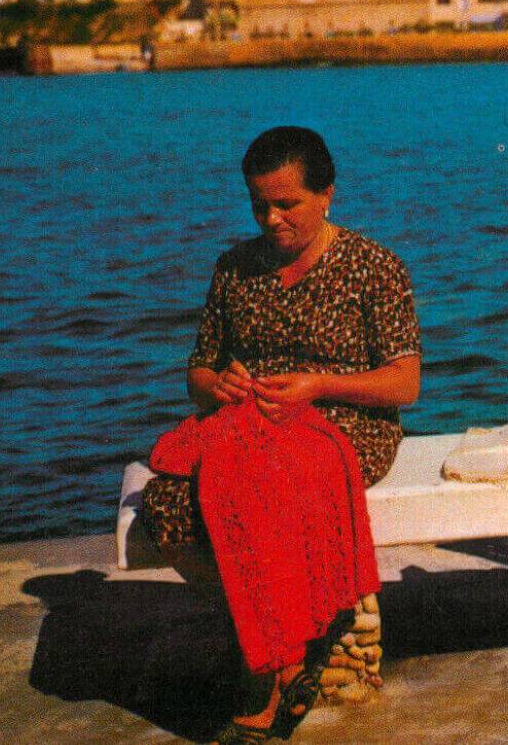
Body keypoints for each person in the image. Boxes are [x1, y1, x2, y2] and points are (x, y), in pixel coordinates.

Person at [140, 126, 421, 741]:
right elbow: (198, 373)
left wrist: (319, 385)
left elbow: (404, 385)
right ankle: (285, 632)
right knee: (165, 501)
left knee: (268, 487)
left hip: (347, 422)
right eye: (259, 204)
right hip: (254, 421)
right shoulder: (234, 269)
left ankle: (269, 665)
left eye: (286, 204)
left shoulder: (374, 268)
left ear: (327, 196)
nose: (272, 219)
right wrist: (220, 386)